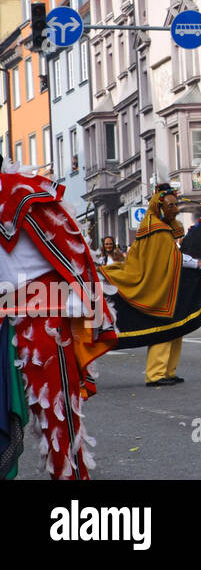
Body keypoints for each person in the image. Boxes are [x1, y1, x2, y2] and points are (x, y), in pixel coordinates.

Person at [1, 160, 117, 479]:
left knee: (57, 423)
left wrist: (85, 309)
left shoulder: (29, 194)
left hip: (43, 318)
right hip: (7, 317)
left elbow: (71, 251)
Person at [102, 184, 201, 387]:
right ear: (160, 207)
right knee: (163, 328)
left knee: (176, 327)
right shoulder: (158, 230)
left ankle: (169, 371)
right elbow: (173, 258)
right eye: (171, 205)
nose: (175, 209)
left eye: (176, 205)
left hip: (168, 283)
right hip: (158, 287)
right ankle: (156, 374)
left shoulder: (159, 227)